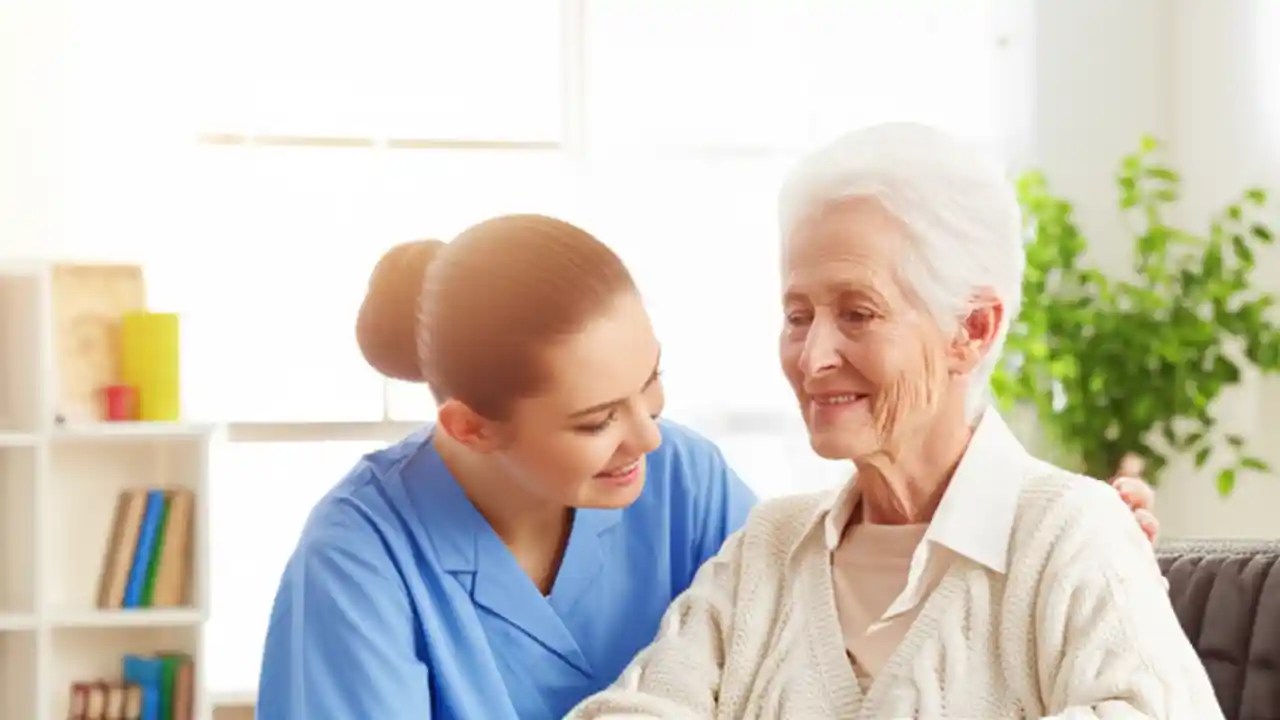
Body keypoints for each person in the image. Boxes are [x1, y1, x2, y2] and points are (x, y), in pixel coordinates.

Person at [255, 215, 1160, 719]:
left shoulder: (677, 476)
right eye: (595, 420)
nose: (646, 437)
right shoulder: (359, 561)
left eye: (651, 387)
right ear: (472, 427)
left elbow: (816, 608)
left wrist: (1047, 532)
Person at [567, 123, 1219, 719]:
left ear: (973, 329)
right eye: (798, 316)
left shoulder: (1070, 531)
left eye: (858, 313)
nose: (814, 357)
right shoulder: (771, 543)